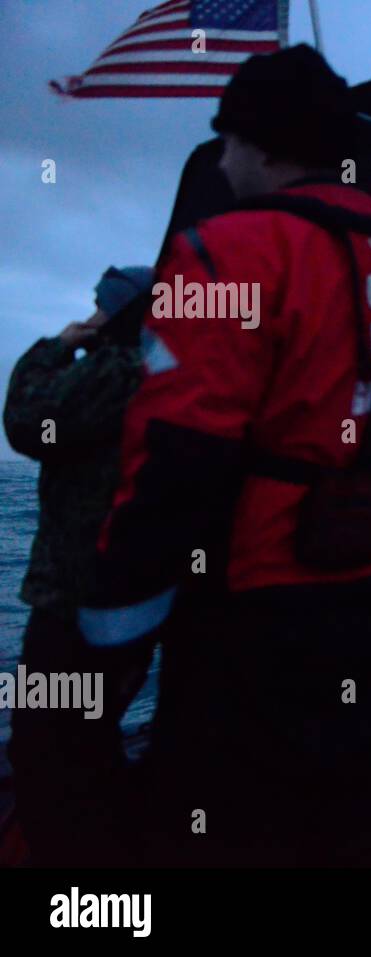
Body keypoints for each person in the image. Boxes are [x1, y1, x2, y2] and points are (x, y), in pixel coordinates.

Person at [78, 45, 371, 865]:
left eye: (230, 142)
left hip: (257, 620)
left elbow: (176, 458)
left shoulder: (223, 250)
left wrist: (104, 651)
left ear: (270, 147)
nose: (225, 161)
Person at [3, 266, 156, 865]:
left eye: (100, 309)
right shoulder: (161, 375)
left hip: (76, 605)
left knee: (43, 753)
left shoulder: (120, 374)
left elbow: (25, 416)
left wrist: (60, 343)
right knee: (91, 744)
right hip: (128, 603)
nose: (89, 317)